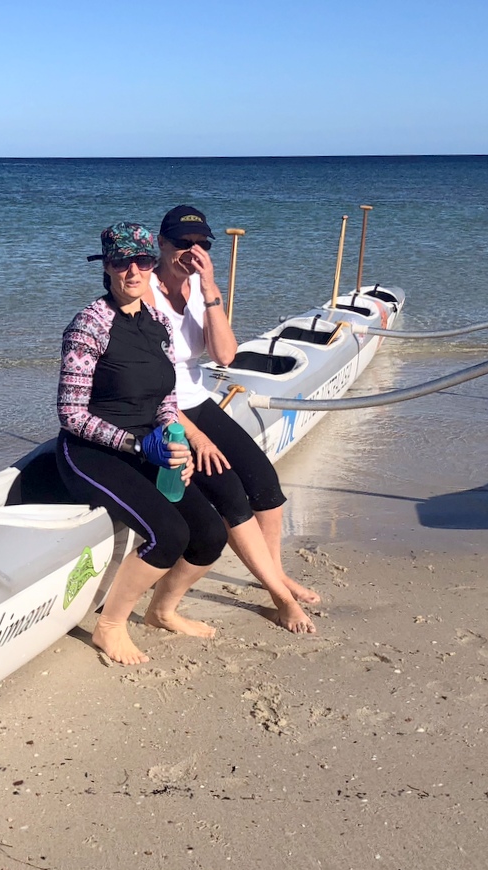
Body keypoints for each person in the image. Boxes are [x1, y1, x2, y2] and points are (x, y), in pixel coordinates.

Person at [55, 222, 227, 666]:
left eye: (142, 261)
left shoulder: (156, 324)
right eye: (121, 262)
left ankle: (162, 610)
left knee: (209, 534)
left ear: (153, 266)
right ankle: (109, 625)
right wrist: (137, 446)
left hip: (148, 444)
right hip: (90, 452)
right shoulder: (88, 325)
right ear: (107, 269)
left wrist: (174, 441)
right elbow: (71, 414)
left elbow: (166, 397)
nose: (133, 270)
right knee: (167, 535)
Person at [146, 205, 321, 634]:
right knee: (232, 498)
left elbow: (225, 355)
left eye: (202, 245)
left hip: (197, 398)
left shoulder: (198, 290)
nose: (193, 251)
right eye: (183, 244)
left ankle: (274, 575)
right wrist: (195, 435)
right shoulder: (145, 291)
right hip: (161, 407)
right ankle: (280, 598)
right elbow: (147, 381)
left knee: (268, 490)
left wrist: (209, 288)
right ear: (161, 243)